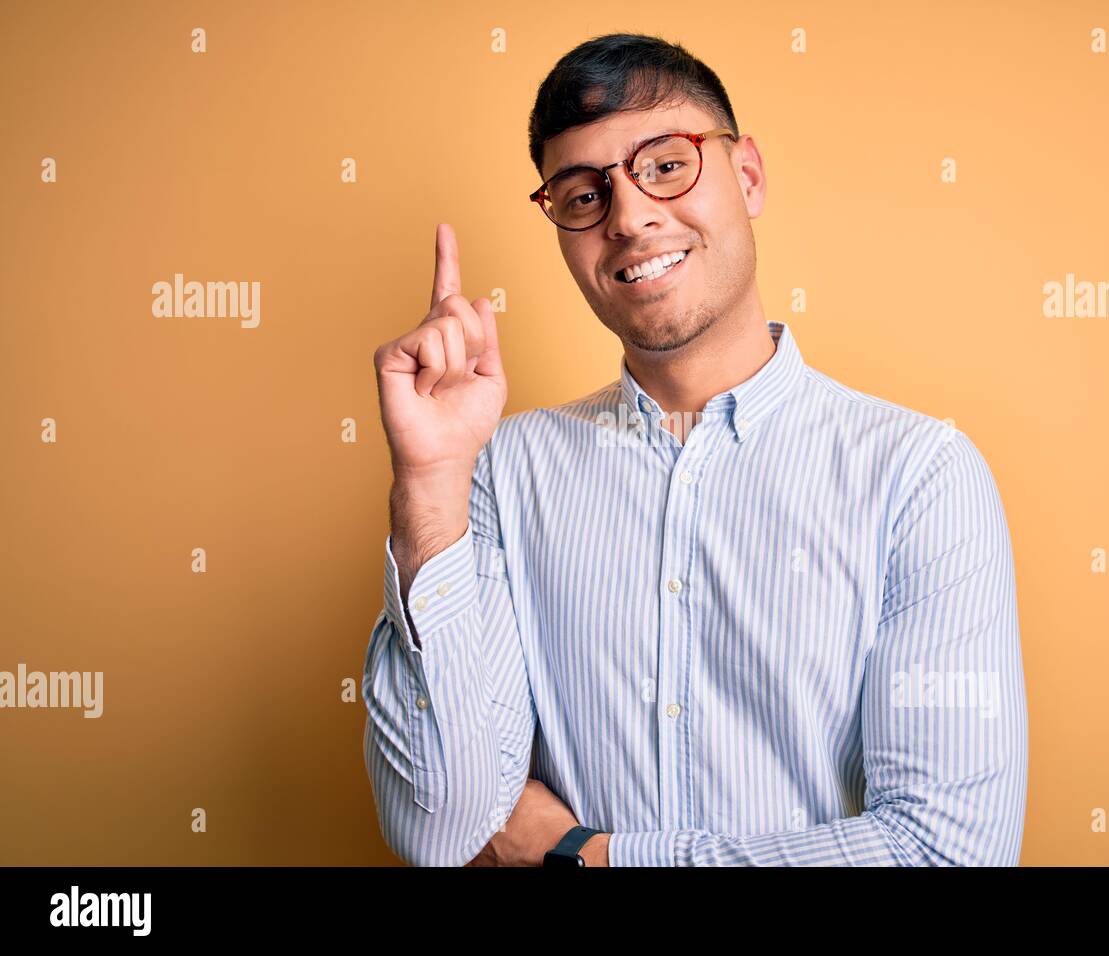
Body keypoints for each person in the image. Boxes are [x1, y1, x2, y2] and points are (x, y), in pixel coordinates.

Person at [363, 32, 1027, 867]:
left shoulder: (918, 477)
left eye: (668, 165)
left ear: (746, 175)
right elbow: (440, 827)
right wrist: (427, 484)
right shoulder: (498, 472)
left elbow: (945, 853)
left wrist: (583, 856)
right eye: (583, 195)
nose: (632, 217)